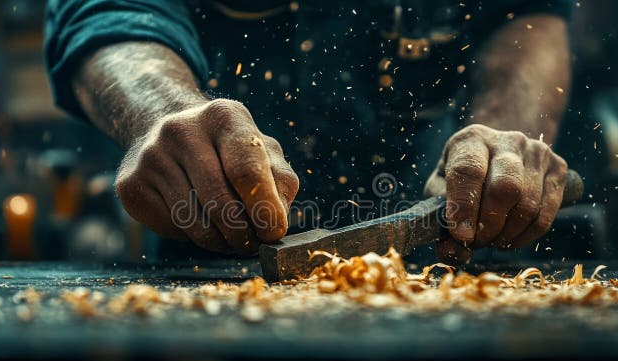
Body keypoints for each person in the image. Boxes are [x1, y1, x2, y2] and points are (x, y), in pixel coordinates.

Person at [45, 0, 573, 262]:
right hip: (211, 256)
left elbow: (527, 15)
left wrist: (503, 138)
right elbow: (110, 16)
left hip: (446, 252)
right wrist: (161, 111)